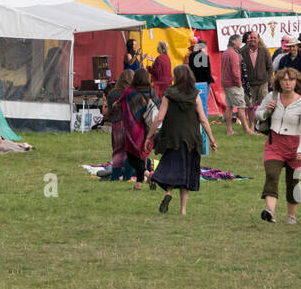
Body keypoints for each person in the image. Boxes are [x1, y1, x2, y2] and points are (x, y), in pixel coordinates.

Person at [149, 64, 216, 215]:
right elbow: (204, 120)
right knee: (186, 174)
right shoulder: (195, 95)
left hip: (172, 138)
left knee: (172, 168)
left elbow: (159, 117)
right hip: (191, 140)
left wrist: (149, 136)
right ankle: (183, 210)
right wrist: (212, 139)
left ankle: (168, 193)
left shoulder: (168, 94)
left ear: (176, 77)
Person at [254, 67, 301, 225]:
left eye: (291, 80)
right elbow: (258, 113)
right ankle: (270, 212)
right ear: (278, 82)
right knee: (271, 175)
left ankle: (291, 216)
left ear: (296, 81)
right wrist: (266, 112)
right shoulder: (273, 96)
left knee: (293, 182)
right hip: (275, 144)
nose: (287, 83)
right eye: (284, 80)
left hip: (294, 145)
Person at [104, 71, 135, 180]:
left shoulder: (112, 94)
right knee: (129, 152)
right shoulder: (132, 93)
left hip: (117, 124)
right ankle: (127, 177)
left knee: (117, 151)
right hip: (130, 124)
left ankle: (115, 176)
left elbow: (109, 111)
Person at [220, 33, 249, 134]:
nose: (240, 43)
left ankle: (229, 130)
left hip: (225, 83)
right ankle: (247, 129)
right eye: (239, 41)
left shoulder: (225, 52)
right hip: (233, 84)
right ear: (234, 42)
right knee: (241, 106)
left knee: (229, 106)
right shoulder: (233, 54)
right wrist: (239, 84)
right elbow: (235, 71)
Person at [241, 32, 271, 106]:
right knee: (250, 106)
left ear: (258, 39)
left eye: (255, 38)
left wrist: (268, 80)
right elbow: (239, 68)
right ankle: (251, 118)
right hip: (249, 85)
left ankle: (261, 118)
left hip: (263, 84)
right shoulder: (242, 51)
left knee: (264, 106)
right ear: (248, 39)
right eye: (251, 38)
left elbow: (270, 67)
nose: (252, 39)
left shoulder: (264, 51)